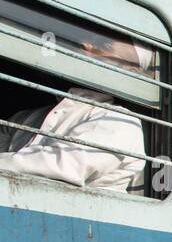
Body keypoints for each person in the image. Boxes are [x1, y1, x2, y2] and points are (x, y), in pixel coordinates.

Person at [0, 36, 151, 192]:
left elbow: (61, 167)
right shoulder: (24, 117)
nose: (85, 43)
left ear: (129, 71)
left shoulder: (120, 121)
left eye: (105, 46)